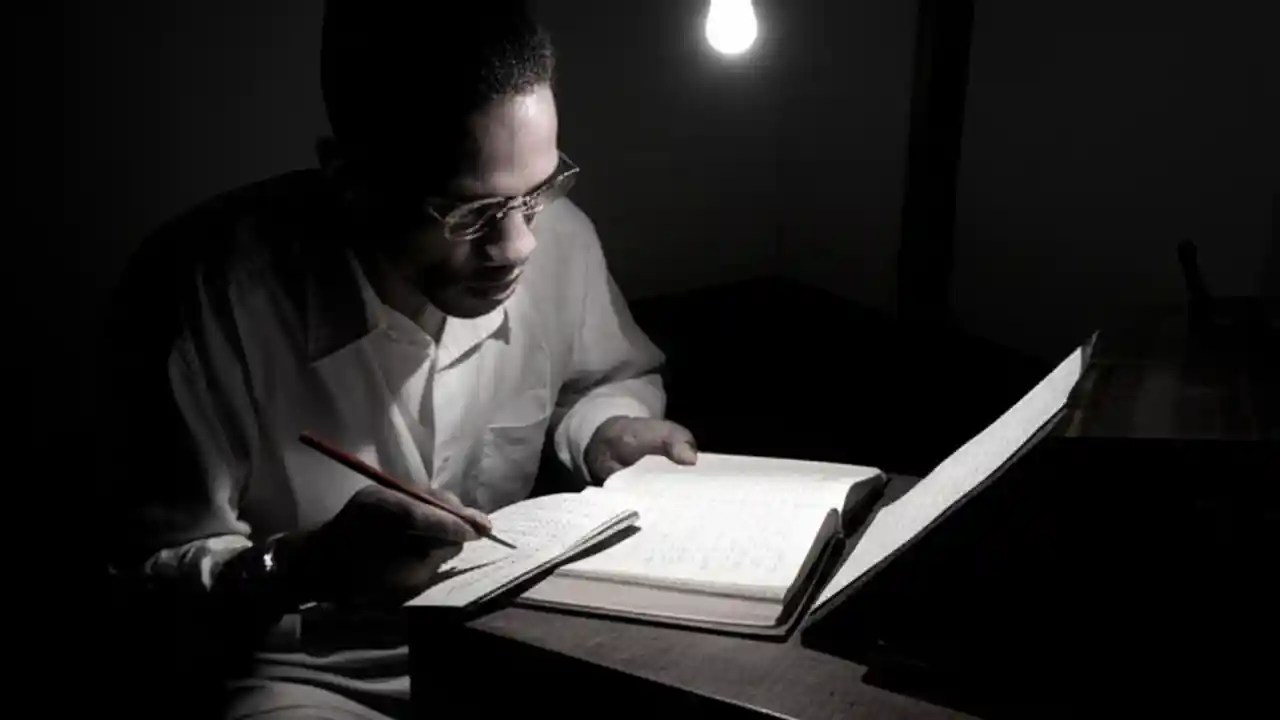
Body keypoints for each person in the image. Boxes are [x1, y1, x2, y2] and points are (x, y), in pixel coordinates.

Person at [96, 1, 697, 718]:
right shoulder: (206, 295)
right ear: (351, 181)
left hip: (513, 643)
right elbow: (143, 584)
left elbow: (606, 378)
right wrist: (306, 565)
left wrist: (605, 429)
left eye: (538, 192)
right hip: (298, 672)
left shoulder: (560, 240)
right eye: (470, 214)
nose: (519, 246)